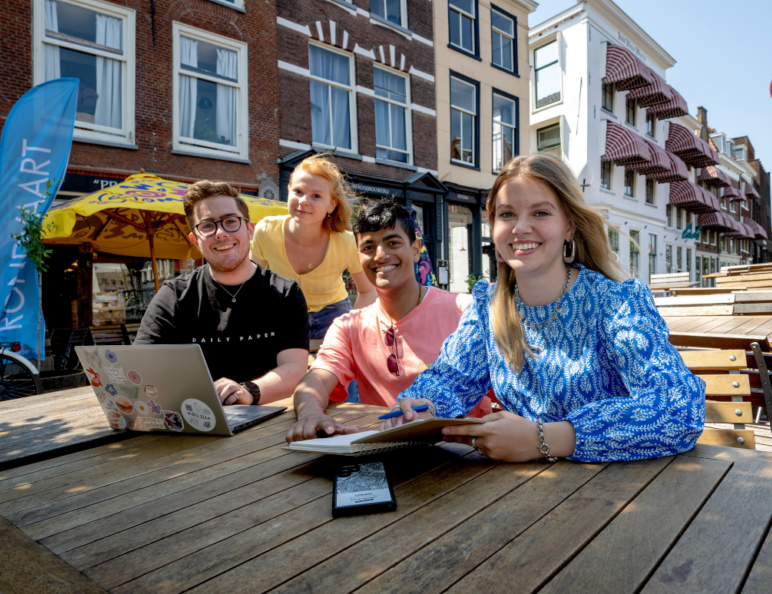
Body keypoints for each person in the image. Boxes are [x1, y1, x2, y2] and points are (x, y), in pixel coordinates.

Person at [384, 154, 704, 462]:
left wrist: (543, 439)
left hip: (620, 491)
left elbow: (679, 409)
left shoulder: (615, 304)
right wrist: (424, 406)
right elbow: (450, 380)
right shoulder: (487, 307)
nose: (520, 227)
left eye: (540, 213)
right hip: (521, 493)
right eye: (507, 214)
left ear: (569, 226)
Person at [285, 199, 491, 442]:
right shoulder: (348, 327)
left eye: (393, 243)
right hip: (387, 449)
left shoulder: (466, 311)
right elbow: (315, 380)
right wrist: (310, 414)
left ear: (415, 250)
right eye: (368, 247)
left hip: (464, 452)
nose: (380, 255)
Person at [134, 181, 310, 406]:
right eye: (207, 226)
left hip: (268, 419)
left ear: (249, 230)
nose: (220, 233)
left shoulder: (285, 293)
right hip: (193, 420)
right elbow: (142, 366)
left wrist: (248, 392)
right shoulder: (173, 297)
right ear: (196, 240)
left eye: (230, 221)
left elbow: (294, 369)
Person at [251, 155, 377, 342]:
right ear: (288, 192)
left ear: (332, 206)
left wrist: (352, 328)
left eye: (316, 196)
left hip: (334, 317)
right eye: (298, 191)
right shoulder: (266, 230)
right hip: (282, 316)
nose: (303, 201)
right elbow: (253, 286)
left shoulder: (346, 241)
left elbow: (368, 291)